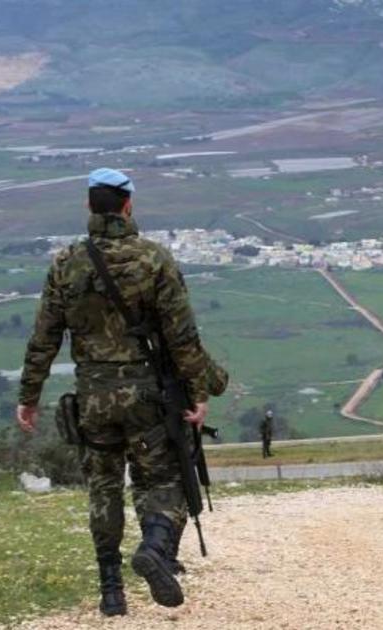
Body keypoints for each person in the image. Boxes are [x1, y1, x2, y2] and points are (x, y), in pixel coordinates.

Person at [15, 168, 226, 616]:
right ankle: (154, 546)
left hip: (92, 397)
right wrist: (200, 391)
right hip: (146, 397)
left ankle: (111, 590)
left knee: (103, 487)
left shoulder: (66, 263)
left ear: (90, 208)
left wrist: (29, 396)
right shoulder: (154, 259)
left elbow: (44, 339)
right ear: (128, 205)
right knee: (162, 480)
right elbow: (182, 340)